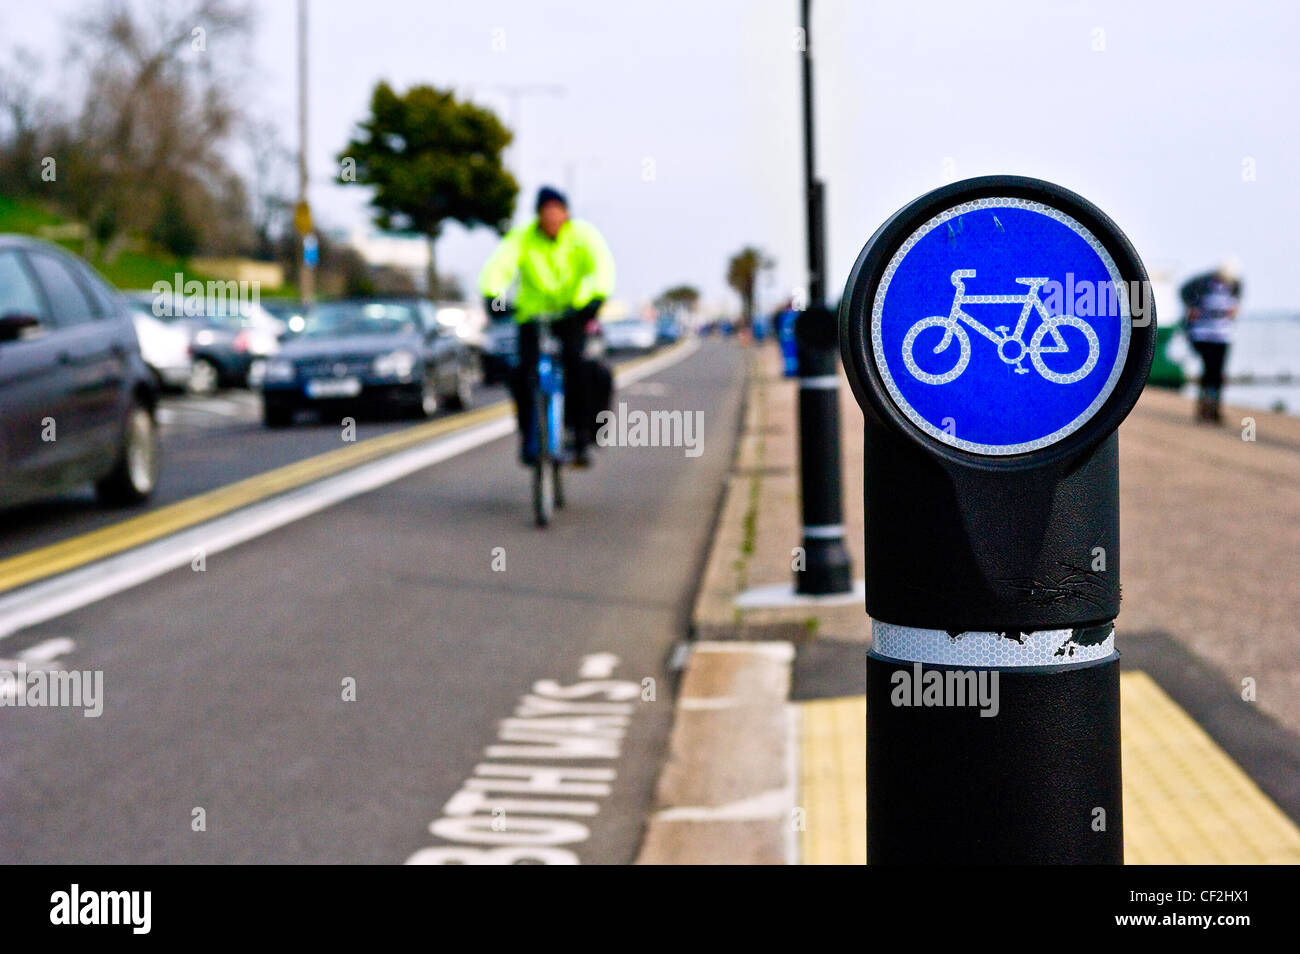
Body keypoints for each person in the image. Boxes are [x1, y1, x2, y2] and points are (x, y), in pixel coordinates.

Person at [479, 186, 615, 467]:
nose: (553, 218)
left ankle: (579, 438)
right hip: (532, 317)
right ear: (538, 216)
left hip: (571, 315)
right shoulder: (523, 237)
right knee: (522, 374)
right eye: (546, 212)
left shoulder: (582, 235)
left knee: (578, 368)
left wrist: (595, 299)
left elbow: (602, 266)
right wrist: (493, 296)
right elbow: (499, 267)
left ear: (566, 214)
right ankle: (529, 437)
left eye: (558, 211)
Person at [1180, 257, 1242, 424]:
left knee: (1218, 373)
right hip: (1203, 333)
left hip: (1223, 334)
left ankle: (1214, 408)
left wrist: (1234, 310)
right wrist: (1191, 307)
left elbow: (1236, 304)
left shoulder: (1235, 285)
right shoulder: (1203, 282)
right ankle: (1204, 407)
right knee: (1209, 370)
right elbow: (1184, 291)